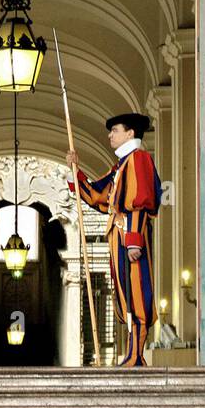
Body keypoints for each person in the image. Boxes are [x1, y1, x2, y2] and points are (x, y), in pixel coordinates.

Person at [66, 112, 163, 368]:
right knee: (126, 296)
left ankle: (136, 354)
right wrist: (75, 172)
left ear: (130, 133)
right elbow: (100, 197)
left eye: (115, 130)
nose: (110, 135)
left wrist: (133, 241)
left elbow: (140, 200)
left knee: (137, 293)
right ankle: (133, 353)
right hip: (119, 237)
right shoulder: (120, 165)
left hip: (130, 238)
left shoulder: (138, 159)